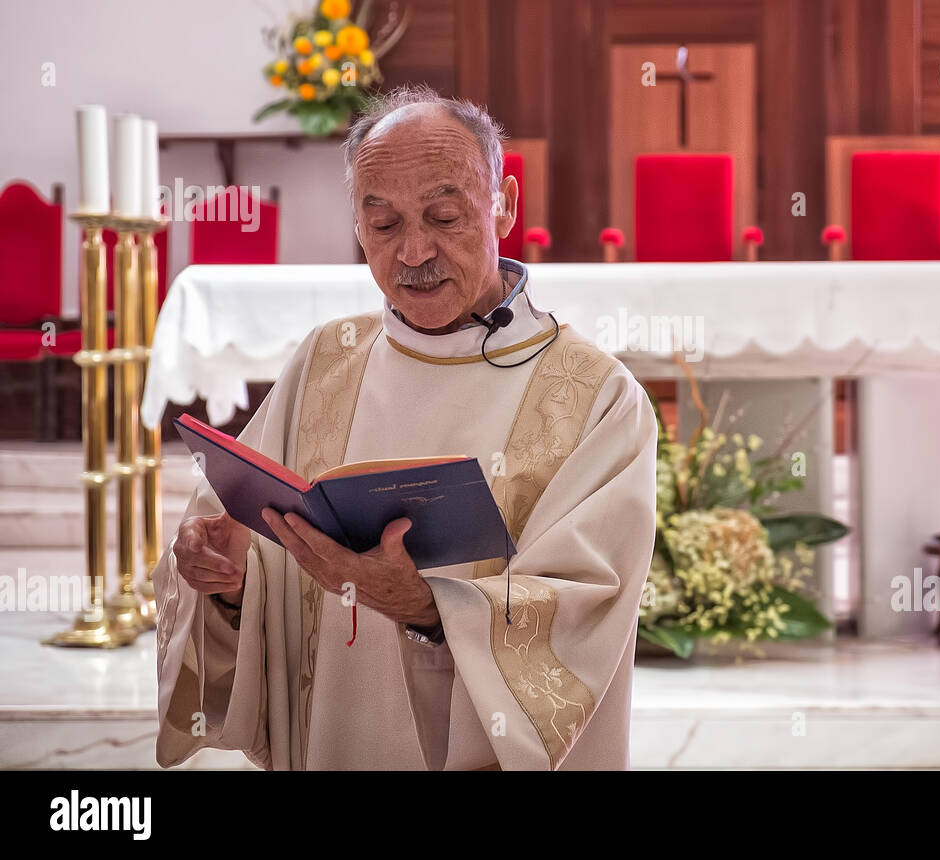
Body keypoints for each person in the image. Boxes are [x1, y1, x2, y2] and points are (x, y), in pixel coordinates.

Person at [154, 87, 657, 770]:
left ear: (503, 203)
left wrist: (424, 607)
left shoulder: (594, 397)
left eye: (444, 216)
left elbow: (580, 618)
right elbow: (255, 554)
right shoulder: (324, 362)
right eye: (383, 224)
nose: (414, 251)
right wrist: (228, 579)